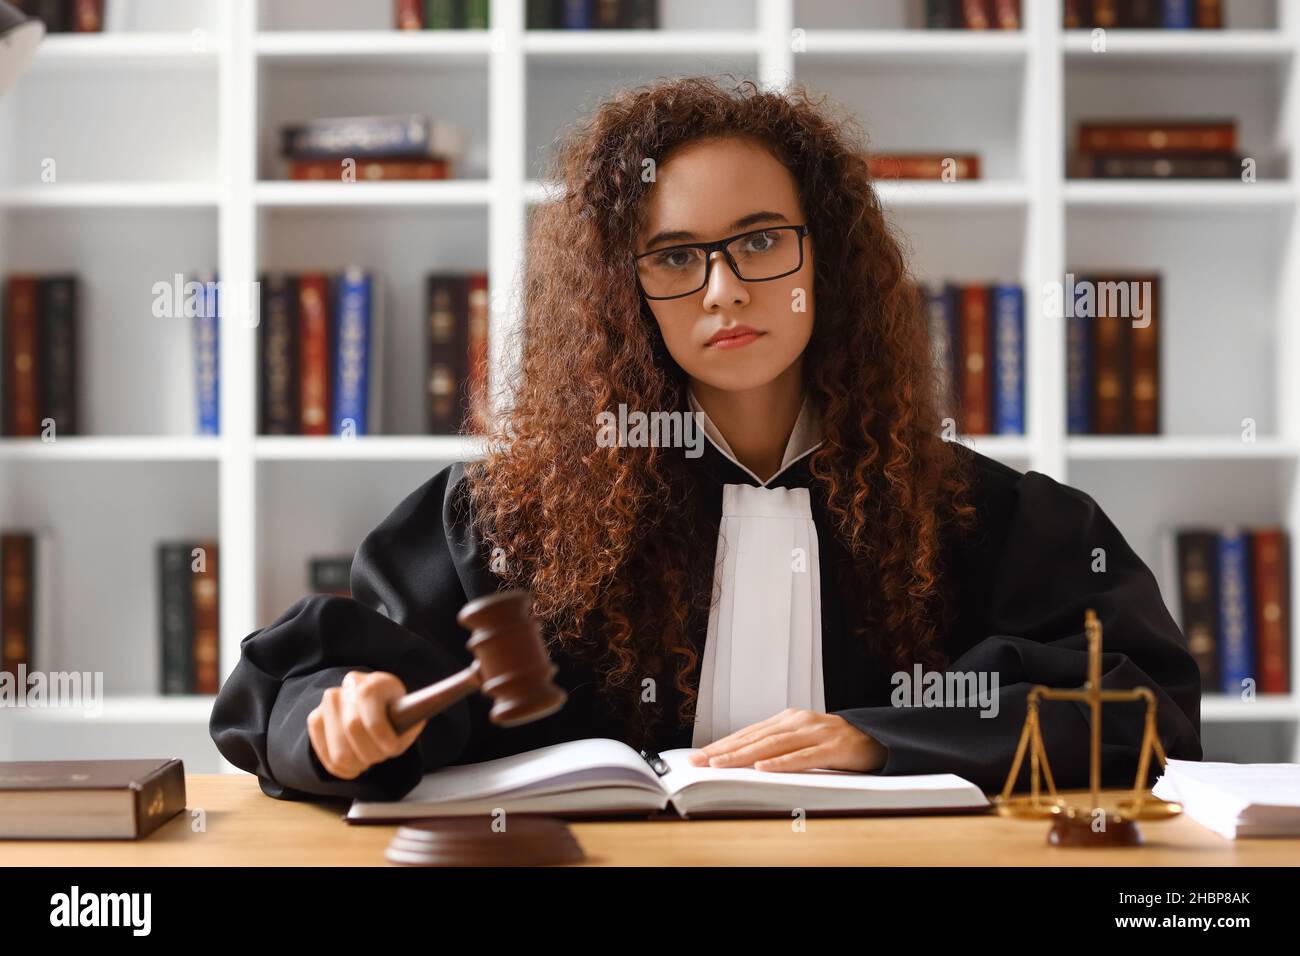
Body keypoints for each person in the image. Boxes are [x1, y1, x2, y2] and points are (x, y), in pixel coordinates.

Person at [210, 75, 1202, 803]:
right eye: (676, 256)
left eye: (761, 240)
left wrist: (879, 739)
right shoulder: (510, 521)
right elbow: (313, 683)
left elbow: (1145, 705)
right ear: (623, 293)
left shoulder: (985, 517)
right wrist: (335, 722)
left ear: (831, 260)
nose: (723, 288)